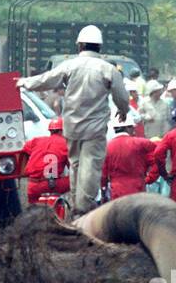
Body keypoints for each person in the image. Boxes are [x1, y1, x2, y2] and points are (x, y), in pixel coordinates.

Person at [18, 24, 129, 216]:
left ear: (80, 45)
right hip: (94, 129)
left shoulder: (70, 65)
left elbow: (46, 79)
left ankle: (77, 205)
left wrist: (23, 82)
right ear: (99, 47)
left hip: (71, 127)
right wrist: (123, 110)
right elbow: (122, 96)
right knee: (90, 165)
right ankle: (83, 208)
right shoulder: (108, 69)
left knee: (76, 164)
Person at [102, 116, 158, 201]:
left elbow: (103, 175)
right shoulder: (142, 143)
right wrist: (150, 178)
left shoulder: (107, 147)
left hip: (117, 192)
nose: (134, 131)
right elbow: (157, 161)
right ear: (128, 128)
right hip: (137, 188)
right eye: (132, 128)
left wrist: (103, 191)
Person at [23, 117, 71, 205]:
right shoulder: (66, 144)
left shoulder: (36, 141)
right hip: (52, 184)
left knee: (34, 209)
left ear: (50, 131)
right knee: (75, 179)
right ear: (63, 131)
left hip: (33, 186)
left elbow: (25, 148)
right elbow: (72, 166)